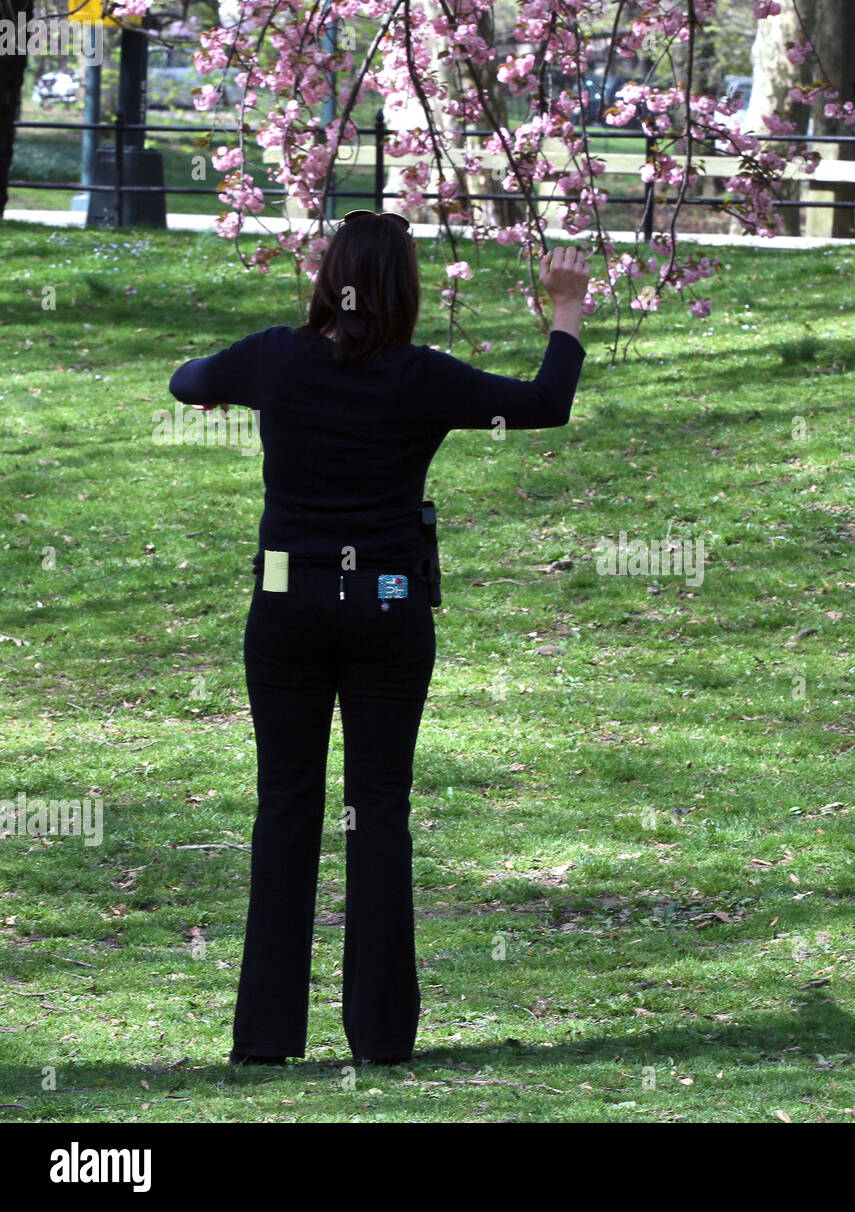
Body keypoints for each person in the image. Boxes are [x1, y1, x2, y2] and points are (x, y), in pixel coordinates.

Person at [168, 212, 591, 1065]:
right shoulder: (421, 378)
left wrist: (223, 383)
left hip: (287, 603)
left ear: (328, 279)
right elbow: (544, 404)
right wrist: (567, 308)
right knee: (378, 813)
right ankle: (382, 1038)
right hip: (388, 605)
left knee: (286, 805)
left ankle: (264, 1038)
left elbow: (185, 380)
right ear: (406, 290)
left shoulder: (273, 358)